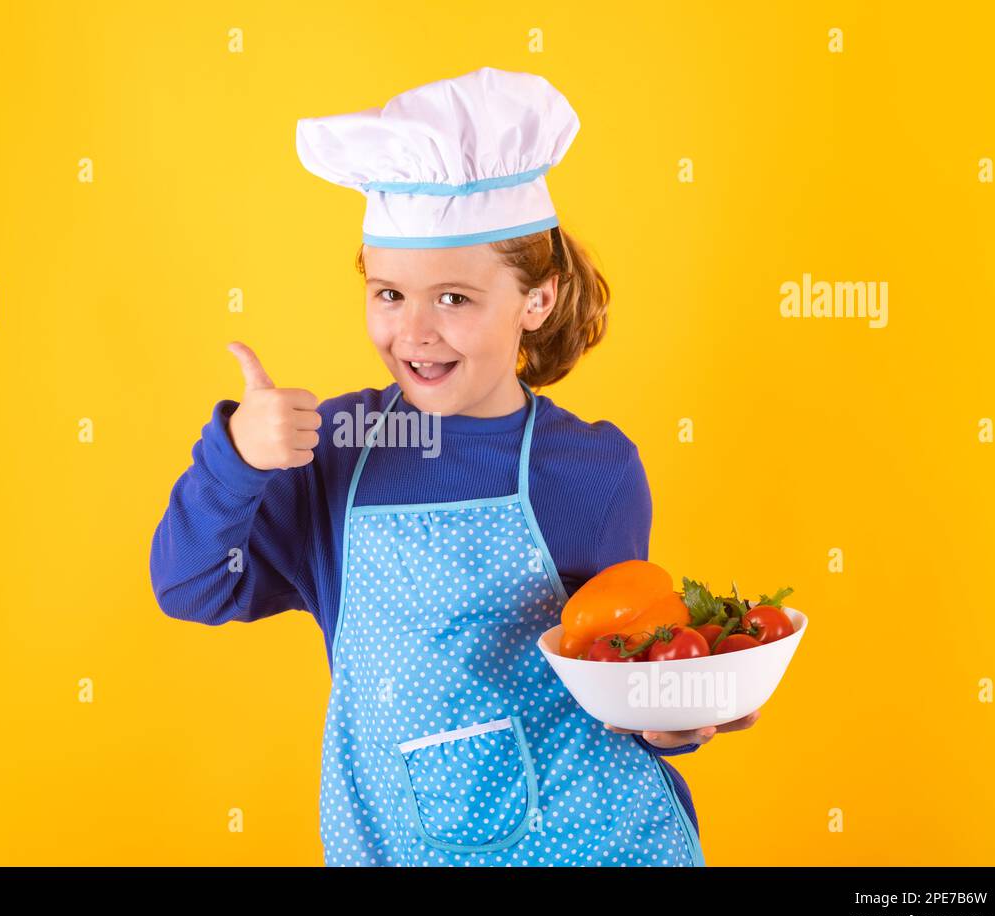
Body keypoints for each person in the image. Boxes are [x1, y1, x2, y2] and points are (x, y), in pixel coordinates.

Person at [150, 66, 756, 866]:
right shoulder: (334, 448)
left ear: (534, 302)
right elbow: (193, 586)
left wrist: (673, 721)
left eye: (455, 299)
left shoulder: (594, 470)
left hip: (600, 844)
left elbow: (623, 672)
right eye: (390, 294)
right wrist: (236, 460)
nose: (416, 331)